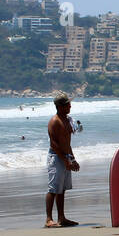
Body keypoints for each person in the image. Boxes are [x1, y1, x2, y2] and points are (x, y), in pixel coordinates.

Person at [45, 93, 79, 228]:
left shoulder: (67, 120)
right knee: (53, 189)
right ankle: (48, 219)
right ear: (60, 107)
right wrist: (64, 159)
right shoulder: (55, 121)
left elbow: (67, 143)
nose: (70, 106)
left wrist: (72, 159)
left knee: (62, 189)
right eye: (67, 104)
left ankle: (61, 217)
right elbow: (54, 144)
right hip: (56, 156)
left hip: (65, 156)